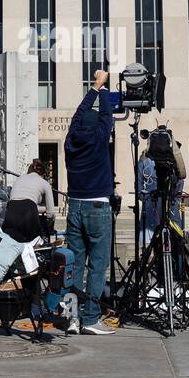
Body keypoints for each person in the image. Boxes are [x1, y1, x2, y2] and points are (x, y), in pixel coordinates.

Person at [60, 69, 117, 335]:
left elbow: (78, 116)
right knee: (97, 266)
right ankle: (91, 318)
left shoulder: (71, 139)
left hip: (74, 206)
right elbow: (107, 115)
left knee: (74, 264)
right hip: (97, 207)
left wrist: (96, 87)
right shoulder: (99, 137)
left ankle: (72, 317)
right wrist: (104, 89)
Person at [3, 159, 57, 244]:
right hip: (29, 212)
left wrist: (39, 208)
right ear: (43, 174)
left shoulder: (20, 178)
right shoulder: (44, 183)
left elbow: (21, 201)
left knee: (13, 244)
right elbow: (51, 213)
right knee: (32, 245)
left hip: (10, 211)